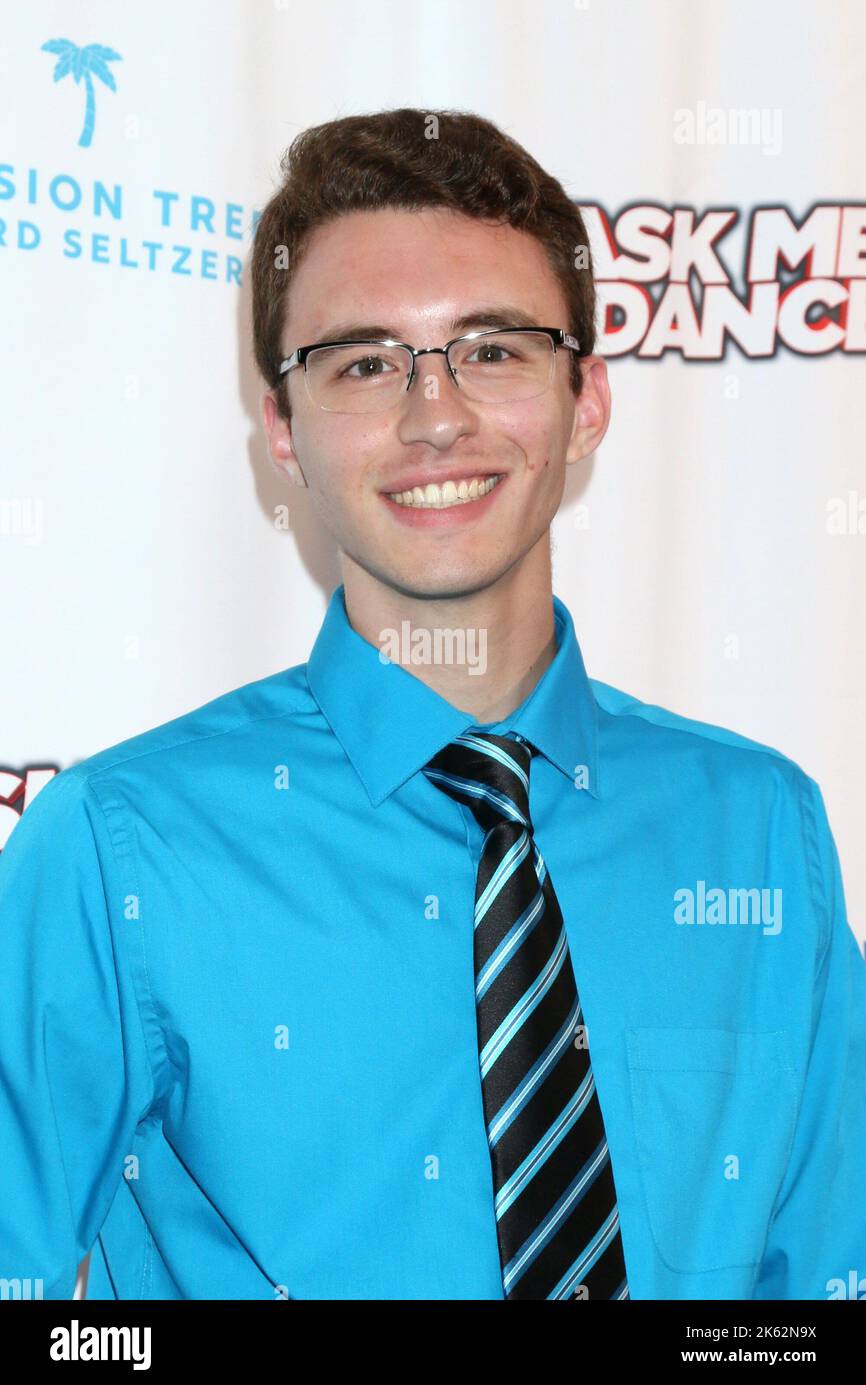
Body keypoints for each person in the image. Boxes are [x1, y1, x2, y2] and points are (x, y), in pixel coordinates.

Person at [1, 108, 864, 1302]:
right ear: (284, 431)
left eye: (493, 348)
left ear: (588, 399)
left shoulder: (758, 829)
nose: (433, 414)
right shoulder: (113, 847)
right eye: (362, 362)